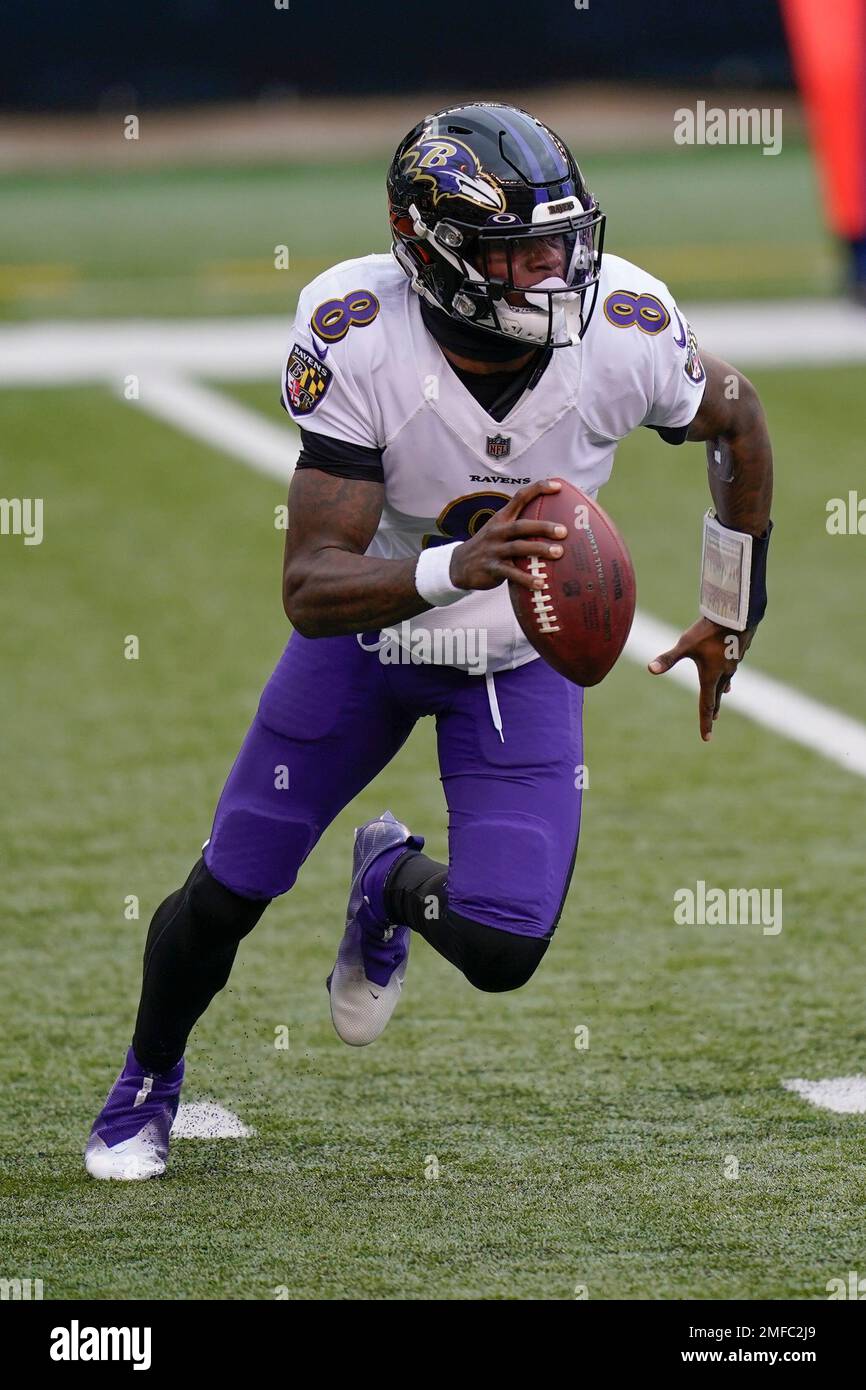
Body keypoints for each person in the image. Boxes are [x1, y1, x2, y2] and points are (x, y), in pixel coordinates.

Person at [85, 102, 773, 1180]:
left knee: (501, 946)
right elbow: (310, 588)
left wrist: (731, 605)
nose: (555, 272)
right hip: (368, 637)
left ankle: (389, 880)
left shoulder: (621, 329)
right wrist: (455, 564)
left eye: (563, 242)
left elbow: (736, 419)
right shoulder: (358, 329)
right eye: (519, 252)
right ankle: (145, 1077)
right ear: (435, 254)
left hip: (512, 655)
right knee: (231, 887)